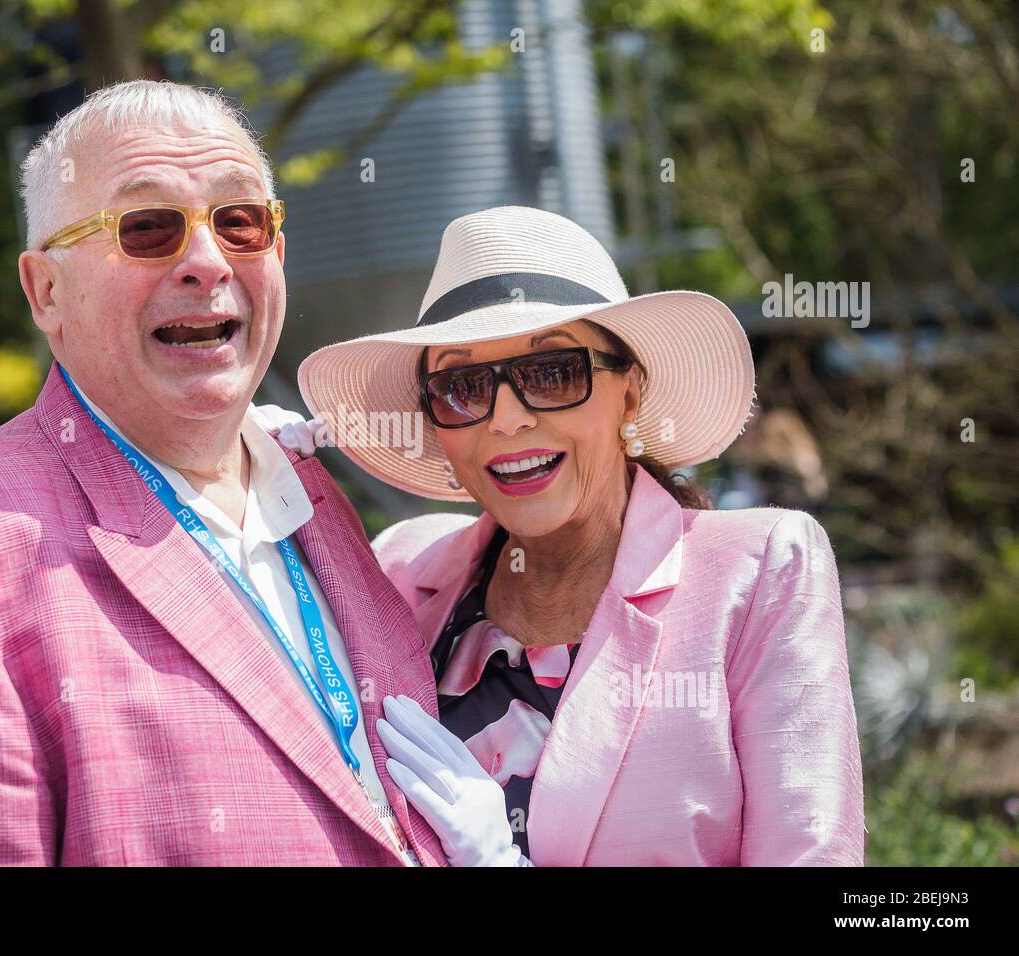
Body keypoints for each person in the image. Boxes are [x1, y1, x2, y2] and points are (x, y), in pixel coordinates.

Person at [0, 80, 448, 866]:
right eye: (148, 227)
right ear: (46, 291)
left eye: (240, 222)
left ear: (277, 255)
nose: (207, 262)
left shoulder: (319, 501)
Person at [281, 206, 865, 865]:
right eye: (463, 386)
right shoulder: (400, 566)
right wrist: (243, 478)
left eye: (552, 372)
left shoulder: (759, 570)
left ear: (630, 393)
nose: (506, 420)